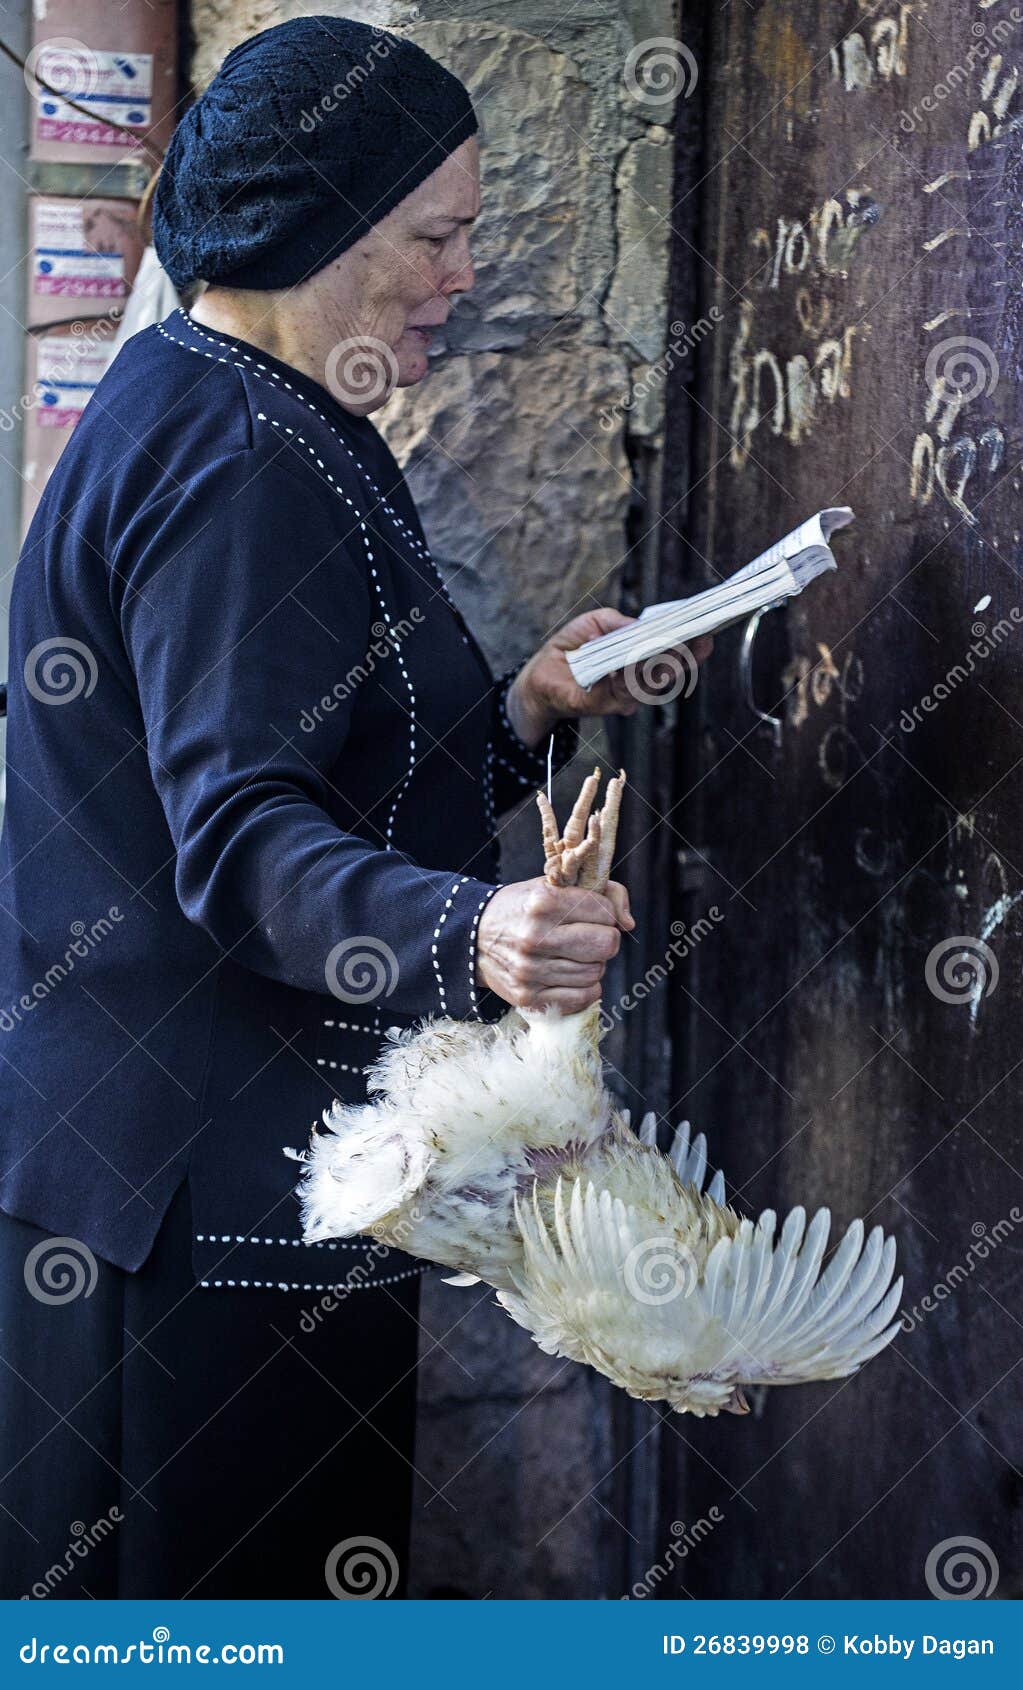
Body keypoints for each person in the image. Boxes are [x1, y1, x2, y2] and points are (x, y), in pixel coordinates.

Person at [0, 16, 709, 1598]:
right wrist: (480, 934)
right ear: (316, 222)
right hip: (192, 1211)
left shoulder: (221, 400)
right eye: (436, 237)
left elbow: (317, 772)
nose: (465, 274)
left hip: (175, 1182)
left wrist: (528, 708)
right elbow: (242, 837)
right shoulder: (239, 456)